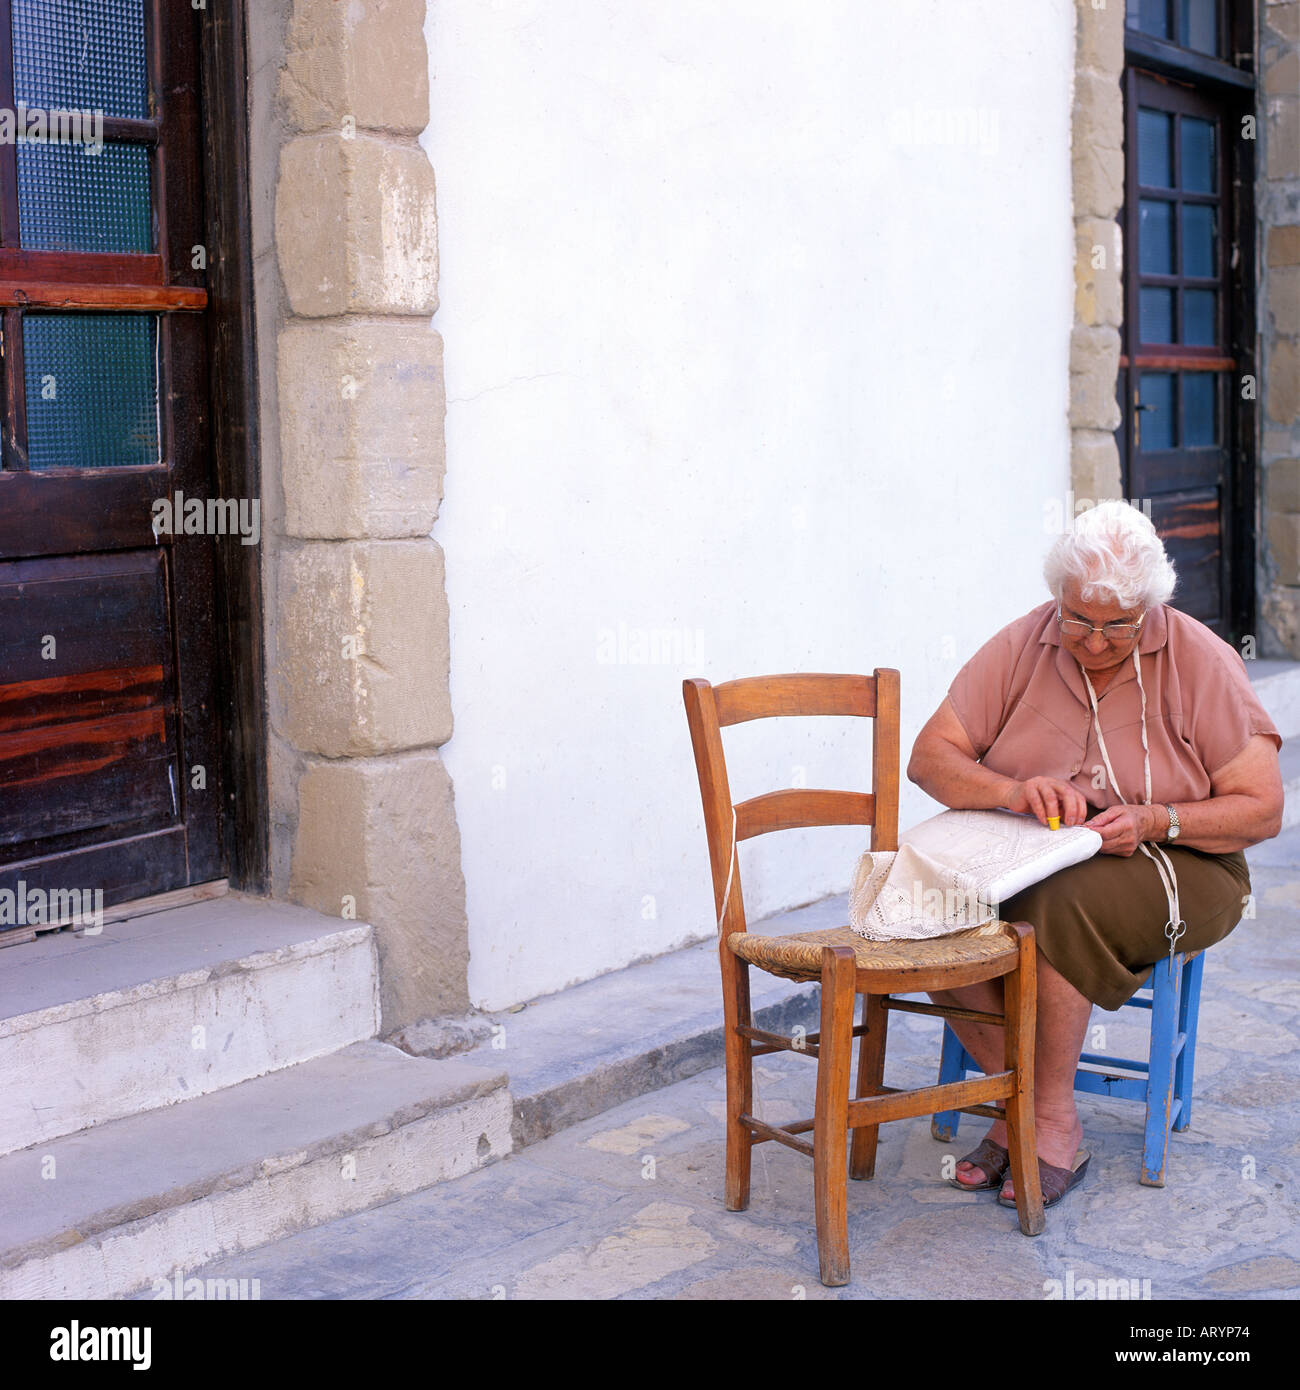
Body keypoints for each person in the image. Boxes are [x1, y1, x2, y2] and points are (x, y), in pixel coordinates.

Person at [906, 500, 1283, 1209]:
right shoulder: (1025, 643)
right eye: (1078, 619)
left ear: (1149, 606)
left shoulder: (1201, 657)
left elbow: (1261, 809)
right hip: (1034, 852)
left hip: (1188, 860)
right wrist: (1014, 790)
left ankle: (1049, 1123)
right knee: (927, 900)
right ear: (1059, 599)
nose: (1096, 640)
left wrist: (1155, 818)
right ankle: (1017, 1106)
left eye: (1118, 625)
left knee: (1061, 906)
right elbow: (929, 759)